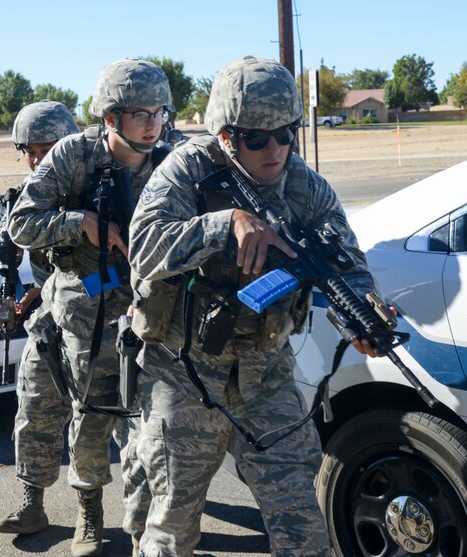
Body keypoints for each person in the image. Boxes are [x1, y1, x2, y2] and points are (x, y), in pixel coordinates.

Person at [128, 55, 386, 557]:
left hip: (265, 371)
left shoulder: (303, 186)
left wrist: (365, 311)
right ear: (226, 136)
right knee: (173, 523)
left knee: (301, 522)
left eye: (286, 133)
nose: (275, 148)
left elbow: (347, 260)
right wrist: (226, 224)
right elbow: (143, 246)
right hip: (185, 373)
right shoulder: (187, 169)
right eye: (257, 138)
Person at [8, 58, 175, 557]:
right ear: (110, 117)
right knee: (93, 405)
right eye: (139, 112)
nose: (152, 122)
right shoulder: (74, 157)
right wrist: (79, 221)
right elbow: (22, 225)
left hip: (156, 297)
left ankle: (149, 518)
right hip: (88, 298)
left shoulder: (175, 156)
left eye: (159, 112)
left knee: (154, 416)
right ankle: (87, 511)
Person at [0, 100, 79, 537]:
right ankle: (32, 503)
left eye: (50, 148)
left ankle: (98, 512)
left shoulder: (97, 194)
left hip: (100, 319)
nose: (40, 160)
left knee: (109, 422)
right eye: (32, 151)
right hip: (50, 325)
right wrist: (30, 292)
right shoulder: (25, 202)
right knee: (35, 409)